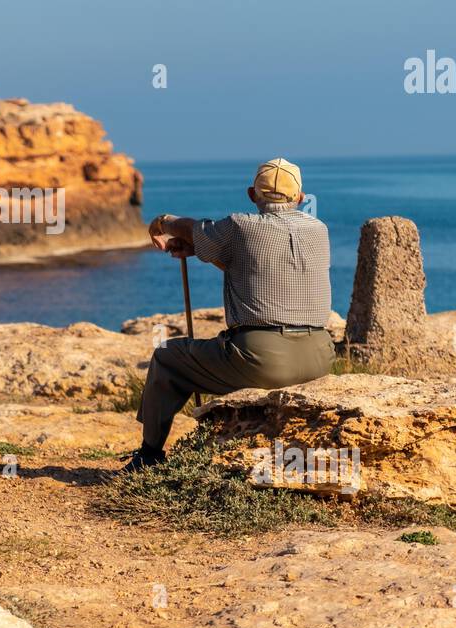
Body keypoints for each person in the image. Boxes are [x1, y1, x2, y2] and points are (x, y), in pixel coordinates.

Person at [122, 158, 334, 472]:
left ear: (252, 194)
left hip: (262, 360)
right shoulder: (319, 229)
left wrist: (162, 222)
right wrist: (201, 250)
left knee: (168, 356)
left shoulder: (241, 225)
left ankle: (149, 456)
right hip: (320, 357)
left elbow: (190, 227)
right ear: (301, 198)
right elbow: (259, 267)